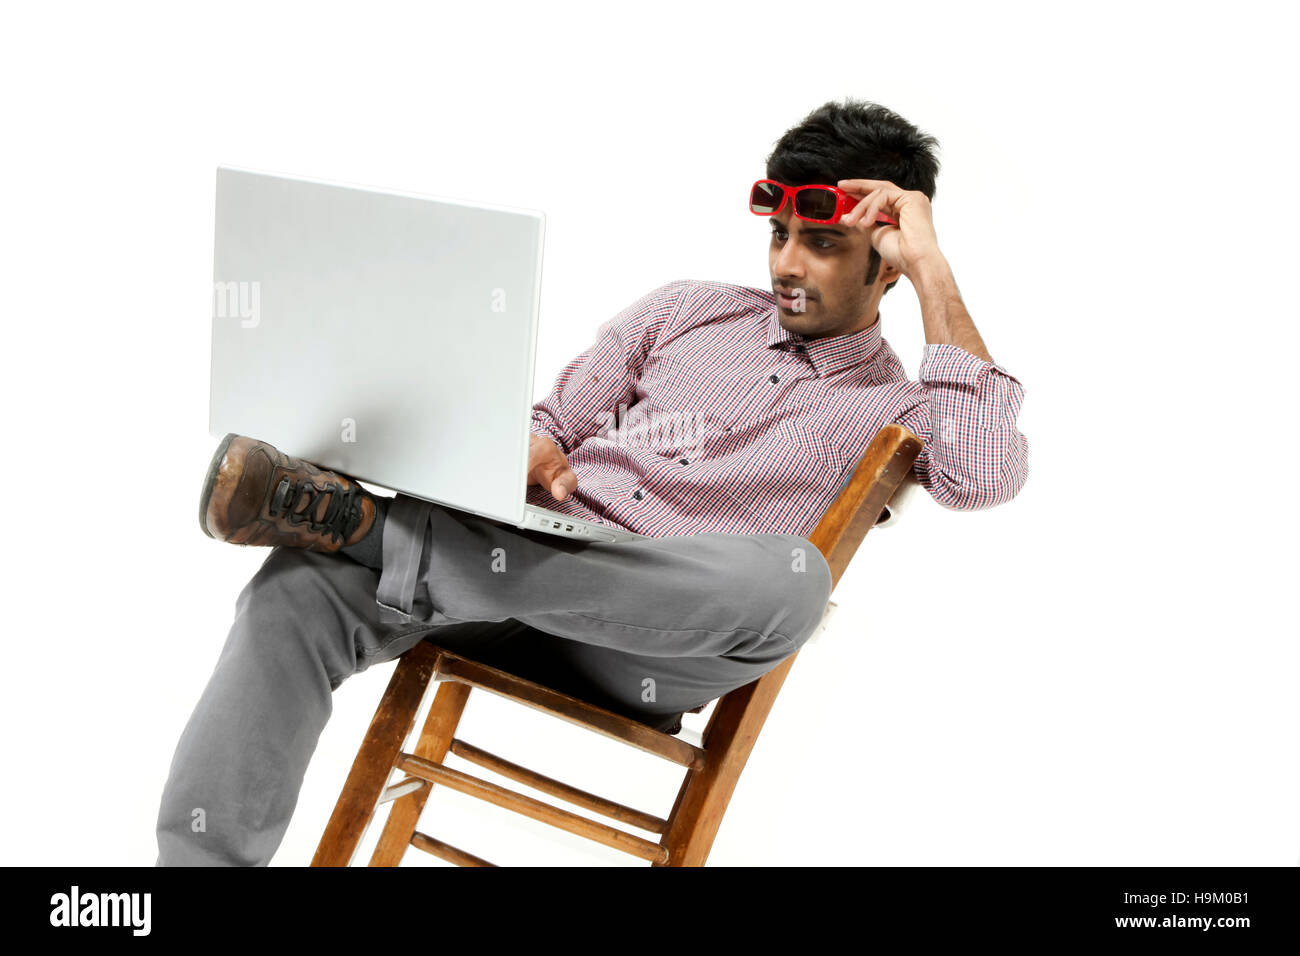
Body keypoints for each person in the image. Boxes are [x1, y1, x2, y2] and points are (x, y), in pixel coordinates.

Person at [156, 98, 1028, 866]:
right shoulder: (686, 308)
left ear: (887, 258)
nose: (787, 266)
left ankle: (387, 535)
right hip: (507, 573)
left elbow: (987, 473)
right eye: (779, 235)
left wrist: (935, 271)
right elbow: (552, 420)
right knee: (298, 587)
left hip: (651, 644)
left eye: (824, 243)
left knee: (795, 583)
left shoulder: (906, 407)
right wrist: (531, 448)